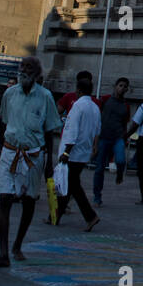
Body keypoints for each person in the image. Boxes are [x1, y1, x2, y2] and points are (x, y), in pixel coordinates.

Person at [0, 55, 61, 268]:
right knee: (5, 198)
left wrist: (48, 162)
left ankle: (17, 244)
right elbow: (6, 122)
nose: (23, 72)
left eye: (28, 69)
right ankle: (3, 253)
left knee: (29, 201)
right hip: (10, 152)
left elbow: (49, 131)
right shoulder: (9, 94)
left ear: (37, 75)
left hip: (34, 155)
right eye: (22, 68)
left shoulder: (45, 97)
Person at [55, 71, 101, 231]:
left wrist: (66, 151)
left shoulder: (78, 106)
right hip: (84, 152)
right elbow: (97, 130)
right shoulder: (95, 107)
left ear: (78, 90)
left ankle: (90, 216)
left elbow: (72, 130)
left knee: (73, 186)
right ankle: (55, 216)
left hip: (72, 152)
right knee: (67, 185)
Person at [92, 77, 131, 206]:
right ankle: (97, 196)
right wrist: (95, 141)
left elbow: (125, 122)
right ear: (115, 86)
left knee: (120, 160)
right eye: (120, 85)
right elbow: (97, 117)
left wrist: (124, 137)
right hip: (104, 137)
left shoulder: (125, 105)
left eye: (125, 86)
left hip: (118, 137)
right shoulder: (105, 99)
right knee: (99, 168)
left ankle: (119, 174)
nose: (122, 88)